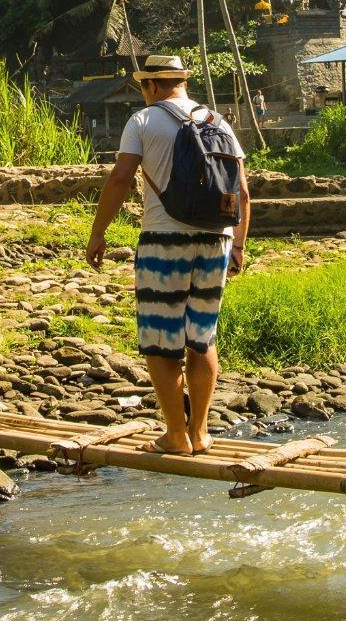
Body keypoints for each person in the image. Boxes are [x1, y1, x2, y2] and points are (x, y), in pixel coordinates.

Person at [85, 55, 251, 456]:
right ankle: (202, 432)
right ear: (182, 81)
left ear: (152, 86)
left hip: (164, 240)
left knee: (162, 340)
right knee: (202, 336)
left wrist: (98, 232)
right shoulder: (219, 121)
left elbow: (121, 177)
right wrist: (240, 245)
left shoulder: (143, 121)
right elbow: (243, 193)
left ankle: (176, 435)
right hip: (217, 240)